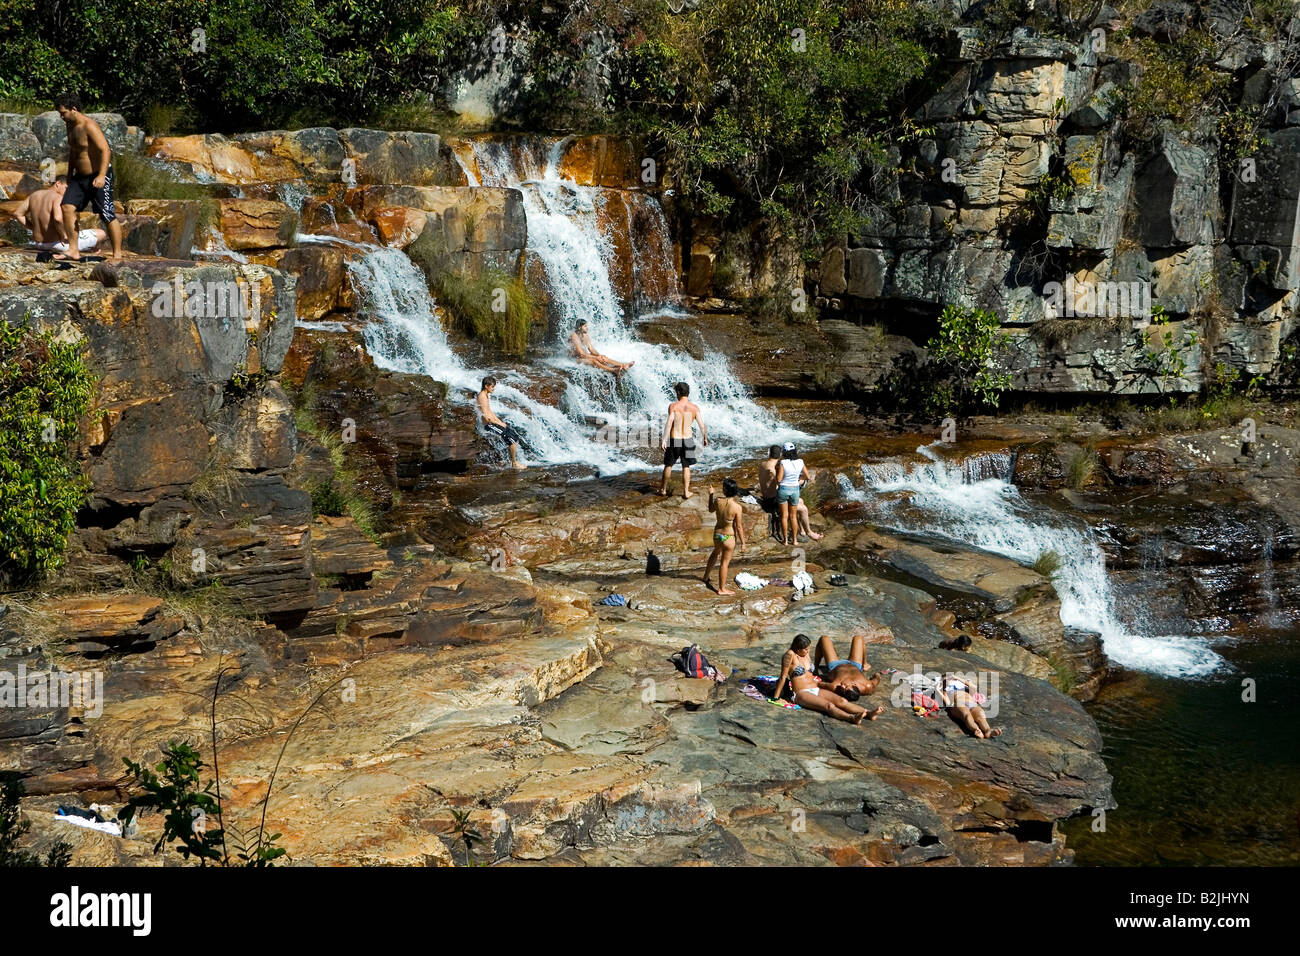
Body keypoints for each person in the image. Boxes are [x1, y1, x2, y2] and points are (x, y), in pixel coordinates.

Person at [54, 92, 123, 261]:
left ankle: (118, 255)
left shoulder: (89, 125)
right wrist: (69, 175)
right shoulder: (70, 125)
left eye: (63, 113)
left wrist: (101, 175)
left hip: (98, 175)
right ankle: (73, 250)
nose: (61, 117)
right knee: (67, 207)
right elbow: (74, 151)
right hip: (79, 177)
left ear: (74, 109)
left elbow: (105, 149)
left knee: (107, 214)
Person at [772, 634, 883, 724]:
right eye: (806, 649)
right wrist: (776, 698)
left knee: (842, 701)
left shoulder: (805, 654)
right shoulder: (789, 655)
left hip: (816, 688)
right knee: (828, 706)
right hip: (801, 693)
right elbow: (782, 677)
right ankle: (851, 718)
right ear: (797, 648)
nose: (808, 651)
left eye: (809, 648)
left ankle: (868, 713)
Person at [13, 180, 106, 255]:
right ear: (58, 183)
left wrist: (33, 228)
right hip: (56, 245)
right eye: (66, 188)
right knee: (101, 233)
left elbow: (18, 214)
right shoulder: (57, 197)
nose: (68, 192)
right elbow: (57, 219)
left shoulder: (34, 195)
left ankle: (86, 248)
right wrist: (63, 235)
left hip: (39, 244)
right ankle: (85, 249)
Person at [757, 444, 822, 544]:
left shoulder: (763, 464)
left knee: (801, 501)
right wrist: (799, 481)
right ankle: (808, 532)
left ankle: (801, 530)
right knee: (803, 509)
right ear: (780, 455)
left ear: (769, 453)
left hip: (767, 497)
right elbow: (780, 482)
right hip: (773, 500)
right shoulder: (773, 469)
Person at [659, 381, 707, 499]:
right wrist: (705, 437)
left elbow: (669, 423)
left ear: (679, 393)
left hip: (675, 439)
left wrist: (664, 439)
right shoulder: (695, 408)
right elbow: (702, 425)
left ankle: (663, 489)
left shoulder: (673, 406)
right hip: (688, 440)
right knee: (686, 466)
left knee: (668, 465)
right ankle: (686, 492)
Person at [814, 632, 889, 701]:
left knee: (824, 638)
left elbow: (817, 684)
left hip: (834, 665)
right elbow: (877, 679)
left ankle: (815, 667)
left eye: (843, 690)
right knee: (858, 638)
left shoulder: (835, 686)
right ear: (854, 684)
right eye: (846, 686)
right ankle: (865, 663)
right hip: (855, 664)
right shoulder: (867, 686)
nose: (842, 687)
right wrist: (877, 675)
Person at [703, 478, 746, 595]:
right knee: (724, 563)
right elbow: (739, 527)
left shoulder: (717, 501)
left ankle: (705, 576)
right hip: (728, 537)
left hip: (717, 535)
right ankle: (721, 589)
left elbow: (710, 509)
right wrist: (743, 543)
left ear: (724, 490)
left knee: (715, 553)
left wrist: (711, 494)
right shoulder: (737, 507)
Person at [476, 376, 526, 470]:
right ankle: (514, 463)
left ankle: (512, 460)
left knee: (514, 436)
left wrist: (500, 422)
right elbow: (486, 417)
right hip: (489, 425)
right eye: (492, 386)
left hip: (494, 424)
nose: (493, 388)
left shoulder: (486, 395)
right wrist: (498, 424)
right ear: (486, 386)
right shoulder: (482, 397)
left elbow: (490, 412)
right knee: (511, 440)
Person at [939, 673, 1002, 739]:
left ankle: (988, 731)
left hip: (971, 702)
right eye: (945, 679)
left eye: (949, 678)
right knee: (967, 715)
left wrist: (957, 678)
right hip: (958, 704)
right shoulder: (945, 691)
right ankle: (976, 729)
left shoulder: (963, 686)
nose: (948, 679)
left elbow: (974, 688)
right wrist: (939, 688)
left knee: (980, 715)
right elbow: (947, 702)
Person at [569, 319, 634, 376]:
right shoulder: (574, 336)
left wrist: (599, 356)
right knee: (594, 360)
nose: (587, 328)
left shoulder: (585, 335)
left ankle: (623, 365)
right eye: (585, 326)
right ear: (579, 327)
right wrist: (596, 357)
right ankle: (613, 370)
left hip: (583, 356)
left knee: (603, 358)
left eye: (587, 326)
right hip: (575, 359)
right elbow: (581, 354)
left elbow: (591, 349)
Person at [776, 441, 811, 547]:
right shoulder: (800, 462)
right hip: (795, 490)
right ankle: (795, 540)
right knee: (793, 516)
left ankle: (785, 540)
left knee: (784, 516)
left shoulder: (783, 463)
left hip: (784, 490)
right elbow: (807, 477)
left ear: (784, 452)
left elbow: (779, 479)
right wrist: (798, 480)